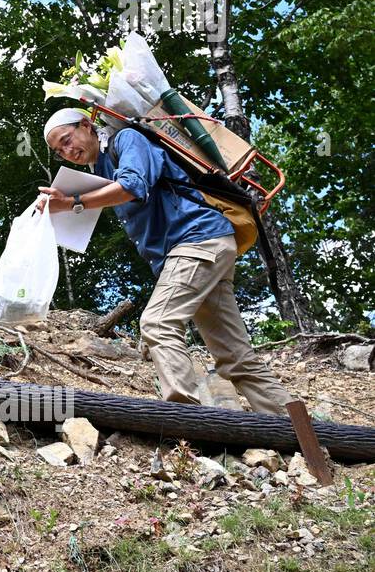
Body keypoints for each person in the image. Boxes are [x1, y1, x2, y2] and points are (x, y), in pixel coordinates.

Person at [39, 107, 293, 415]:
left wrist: (74, 203)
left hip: (197, 239)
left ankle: (185, 420)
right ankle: (300, 431)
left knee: (158, 323)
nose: (67, 151)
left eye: (67, 140)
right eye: (59, 150)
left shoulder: (126, 140)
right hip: (199, 249)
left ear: (86, 125)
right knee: (236, 356)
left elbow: (133, 186)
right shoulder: (101, 168)